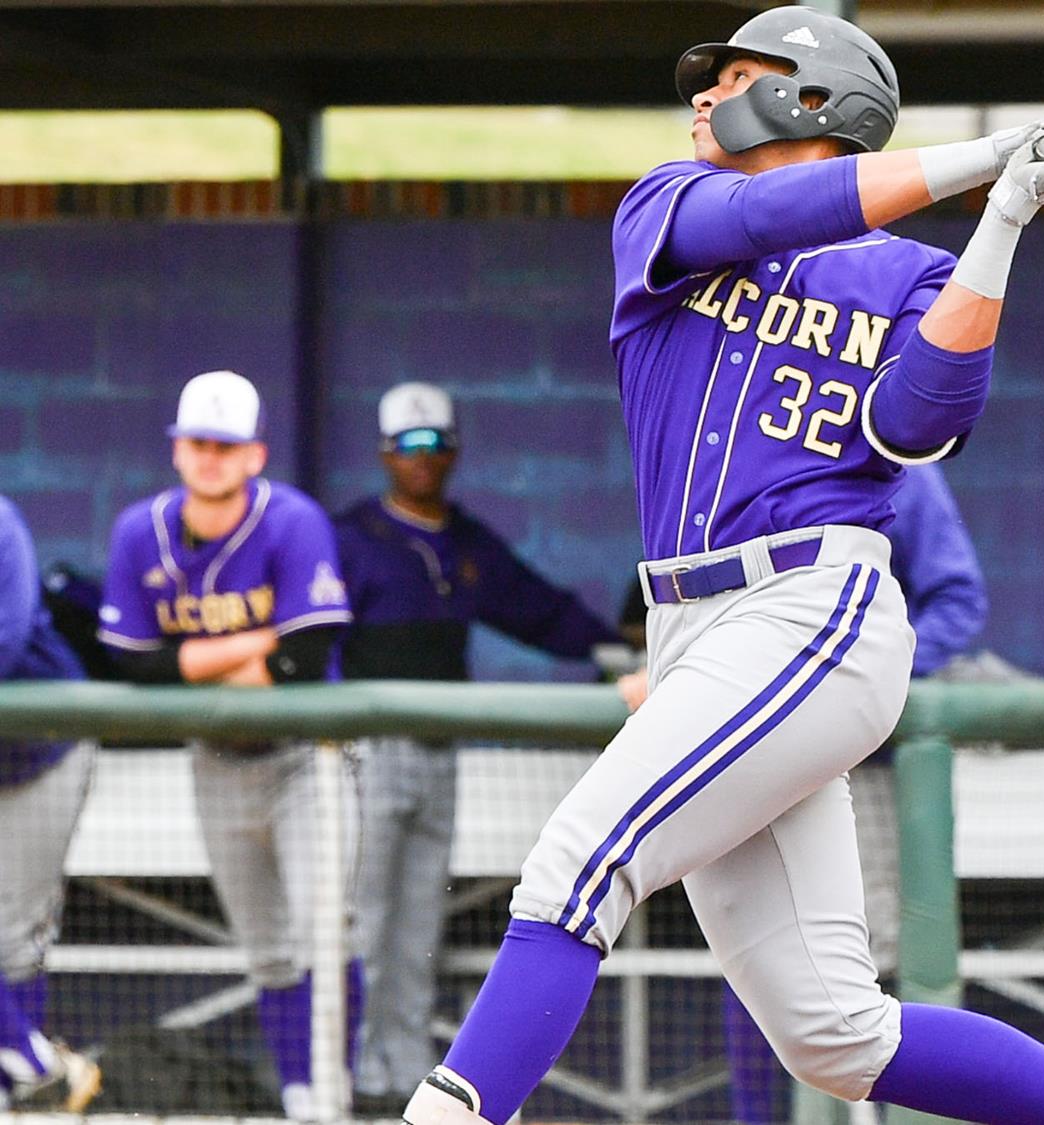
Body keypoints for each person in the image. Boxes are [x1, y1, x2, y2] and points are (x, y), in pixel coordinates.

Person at [400, 8, 1044, 1125]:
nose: (701, 99)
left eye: (729, 79)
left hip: (809, 609)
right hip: (688, 628)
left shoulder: (912, 275)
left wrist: (1003, 218)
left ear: (808, 100)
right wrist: (984, 156)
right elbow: (777, 212)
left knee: (578, 865)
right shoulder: (666, 205)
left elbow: (918, 425)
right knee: (832, 1033)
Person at [334, 382, 621, 1113]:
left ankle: (395, 1072)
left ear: (455, 451)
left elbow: (537, 606)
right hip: (364, 754)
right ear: (384, 454)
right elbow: (318, 640)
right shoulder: (353, 536)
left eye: (435, 444)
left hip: (438, 753)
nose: (422, 459)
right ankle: (348, 1075)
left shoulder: (465, 541)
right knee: (362, 918)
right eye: (408, 445)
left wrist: (618, 644)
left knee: (418, 917)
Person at [98, 369, 354, 1120]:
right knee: (266, 946)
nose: (210, 457)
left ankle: (331, 1093)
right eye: (197, 443)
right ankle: (300, 1089)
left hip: (310, 755)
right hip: (215, 759)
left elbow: (308, 654)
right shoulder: (135, 531)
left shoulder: (294, 519)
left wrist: (196, 668)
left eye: (226, 445)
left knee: (327, 929)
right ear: (177, 450)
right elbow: (130, 662)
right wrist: (257, 643)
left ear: (254, 455)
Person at [721, 459, 990, 1124]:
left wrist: (859, 670)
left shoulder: (894, 456)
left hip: (856, 763)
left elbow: (959, 601)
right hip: (745, 747)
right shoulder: (723, 447)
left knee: (863, 974)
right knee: (752, 958)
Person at [0, 496, 100, 1111]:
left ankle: (23, 1083)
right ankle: (33, 1064)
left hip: (39, 751)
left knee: (14, 939)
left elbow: (5, 641)